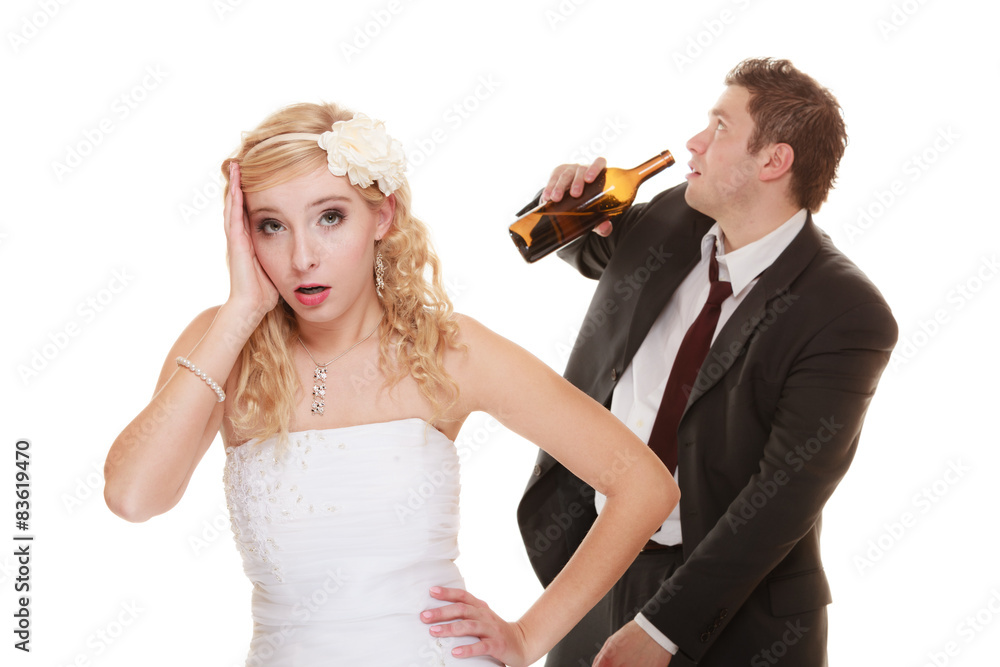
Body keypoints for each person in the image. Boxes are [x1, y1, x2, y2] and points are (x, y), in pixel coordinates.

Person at [102, 102, 678, 666]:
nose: (303, 257)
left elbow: (645, 488)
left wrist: (528, 637)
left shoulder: (450, 349)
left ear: (382, 216)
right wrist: (240, 310)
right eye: (271, 226)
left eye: (330, 217)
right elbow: (133, 497)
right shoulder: (221, 342)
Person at [515, 58, 899, 666]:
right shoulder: (672, 218)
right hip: (593, 568)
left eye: (720, 126)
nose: (694, 141)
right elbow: (593, 253)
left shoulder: (846, 313)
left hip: (731, 618)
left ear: (773, 161)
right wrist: (559, 200)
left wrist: (664, 629)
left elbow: (782, 498)